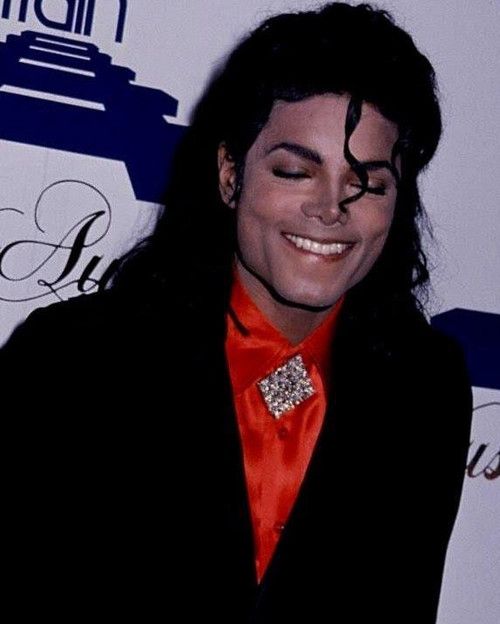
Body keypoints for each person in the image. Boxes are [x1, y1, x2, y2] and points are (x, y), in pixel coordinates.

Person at [1, 2, 472, 622]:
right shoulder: (71, 360)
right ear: (230, 174)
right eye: (295, 171)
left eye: (370, 184)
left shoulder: (425, 386)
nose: (330, 208)